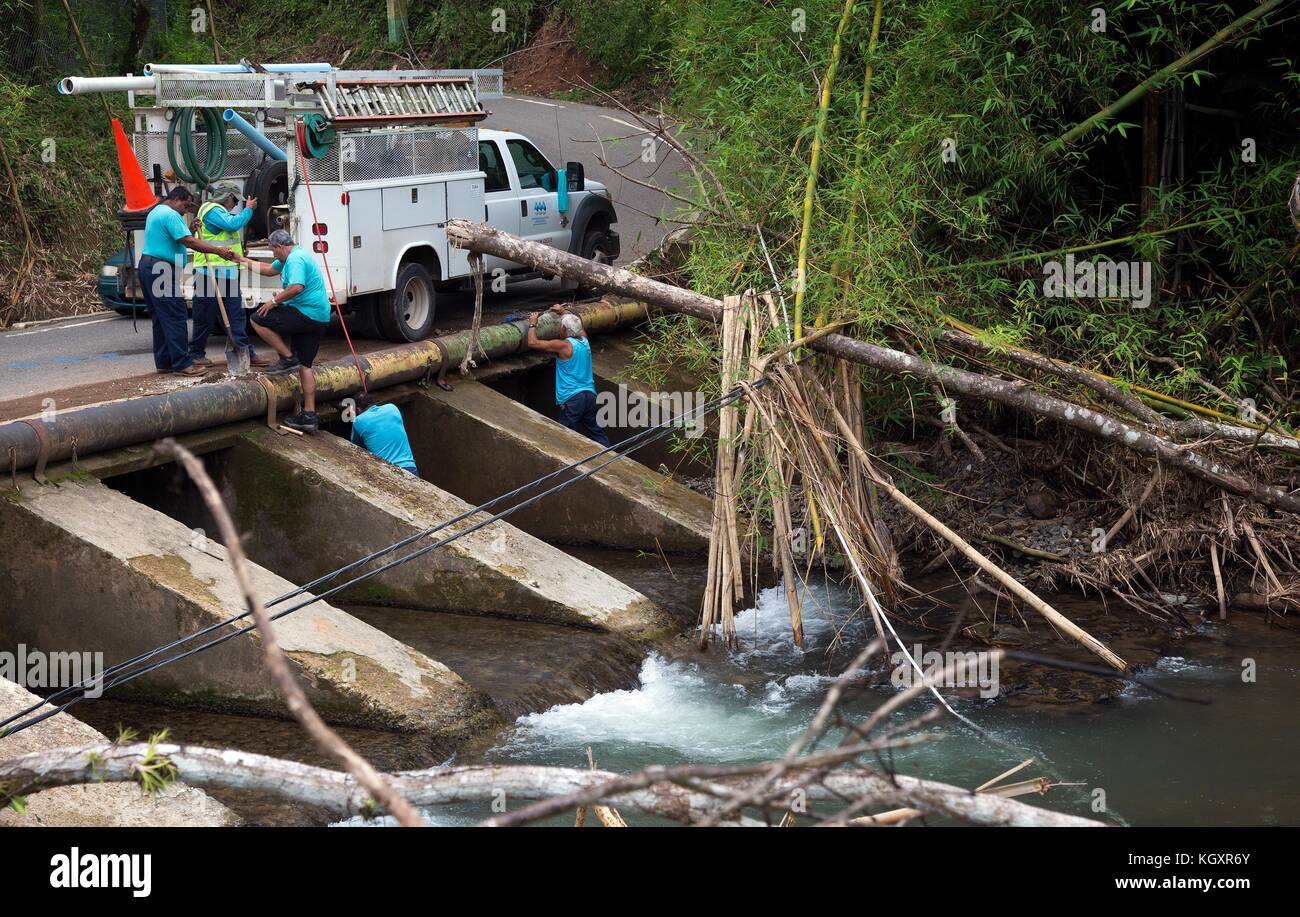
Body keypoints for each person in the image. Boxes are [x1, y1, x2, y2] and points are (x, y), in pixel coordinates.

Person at [239, 229, 332, 434]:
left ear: (280, 247)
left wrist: (273, 301)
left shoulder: (296, 259)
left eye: (273, 251)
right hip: (319, 317)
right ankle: (309, 416)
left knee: (257, 319)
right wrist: (241, 260)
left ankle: (287, 357)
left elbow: (297, 287)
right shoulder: (290, 255)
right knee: (305, 365)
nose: (273, 255)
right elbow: (267, 270)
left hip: (306, 314)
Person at [137, 187, 236, 376]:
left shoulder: (157, 211)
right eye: (185, 204)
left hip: (149, 266)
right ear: (176, 199)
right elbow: (190, 242)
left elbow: (176, 238)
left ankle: (165, 361)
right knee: (175, 315)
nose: (185, 210)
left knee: (161, 317)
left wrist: (189, 230)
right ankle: (183, 364)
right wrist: (218, 251)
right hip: (161, 269)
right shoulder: (171, 215)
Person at [188, 181, 270, 368]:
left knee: (235, 314)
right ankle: (196, 353)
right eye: (235, 201)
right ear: (228, 197)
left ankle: (245, 350)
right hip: (210, 272)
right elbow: (232, 225)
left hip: (226, 271)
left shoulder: (219, 210)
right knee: (205, 314)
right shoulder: (211, 210)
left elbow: (227, 235)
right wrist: (248, 210)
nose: (236, 204)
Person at [526, 304, 610, 446]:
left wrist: (532, 324)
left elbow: (532, 343)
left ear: (564, 329)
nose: (560, 329)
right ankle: (610, 458)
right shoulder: (585, 340)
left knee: (565, 435)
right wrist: (563, 312)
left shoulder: (564, 345)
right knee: (596, 432)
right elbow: (579, 326)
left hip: (573, 398)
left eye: (561, 327)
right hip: (589, 396)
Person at [349, 392, 418, 475]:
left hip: (389, 471)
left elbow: (355, 447)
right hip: (411, 468)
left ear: (358, 410)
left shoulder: (358, 421)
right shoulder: (392, 408)